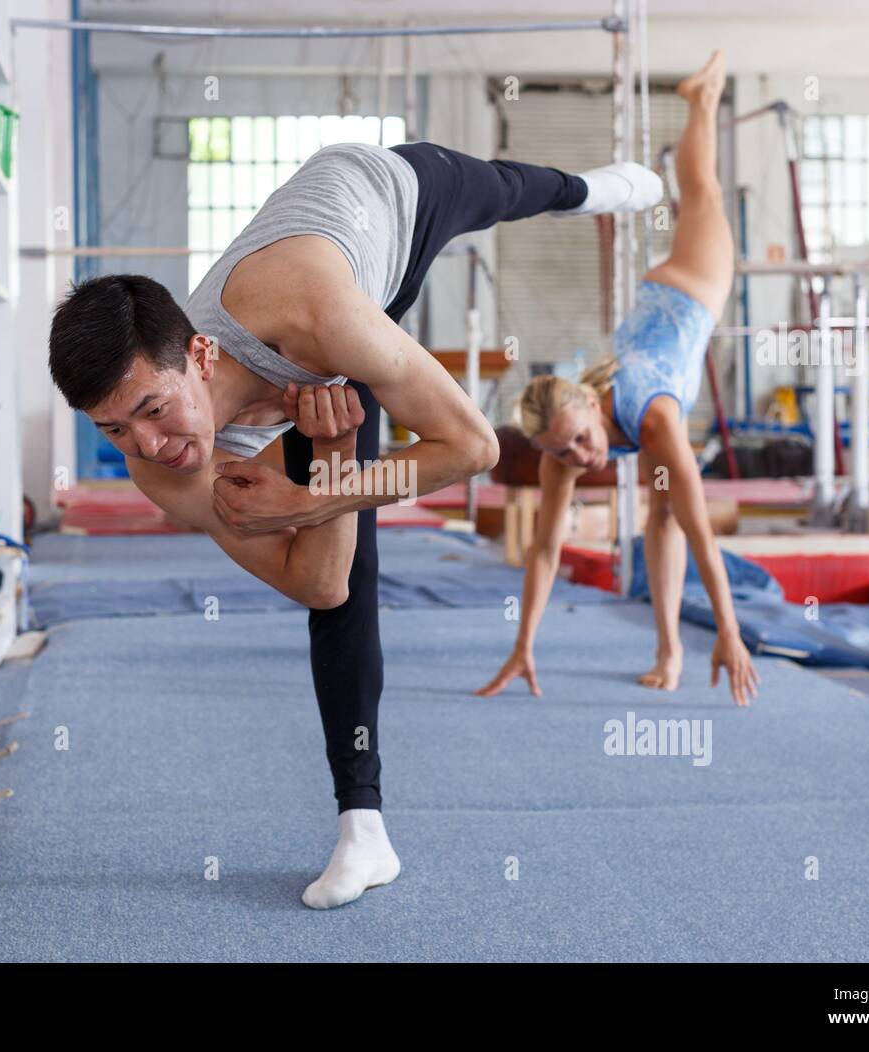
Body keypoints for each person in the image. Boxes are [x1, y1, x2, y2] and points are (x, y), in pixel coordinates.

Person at [47, 136, 663, 908]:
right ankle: (363, 829)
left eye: (152, 410)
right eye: (113, 431)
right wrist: (336, 462)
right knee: (351, 557)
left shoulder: (315, 318)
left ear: (201, 356)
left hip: (383, 201)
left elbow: (472, 446)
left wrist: (315, 499)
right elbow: (320, 584)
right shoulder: (161, 466)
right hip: (328, 363)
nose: (149, 446)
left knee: (508, 190)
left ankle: (592, 186)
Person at [477, 51, 760, 708]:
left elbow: (701, 531)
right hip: (653, 306)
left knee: (704, 193)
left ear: (591, 406)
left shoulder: (653, 420)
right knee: (656, 510)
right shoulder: (560, 452)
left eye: (580, 441)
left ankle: (702, 97)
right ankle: (667, 651)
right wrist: (523, 643)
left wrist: (730, 631)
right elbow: (544, 553)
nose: (583, 459)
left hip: (691, 291)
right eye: (565, 454)